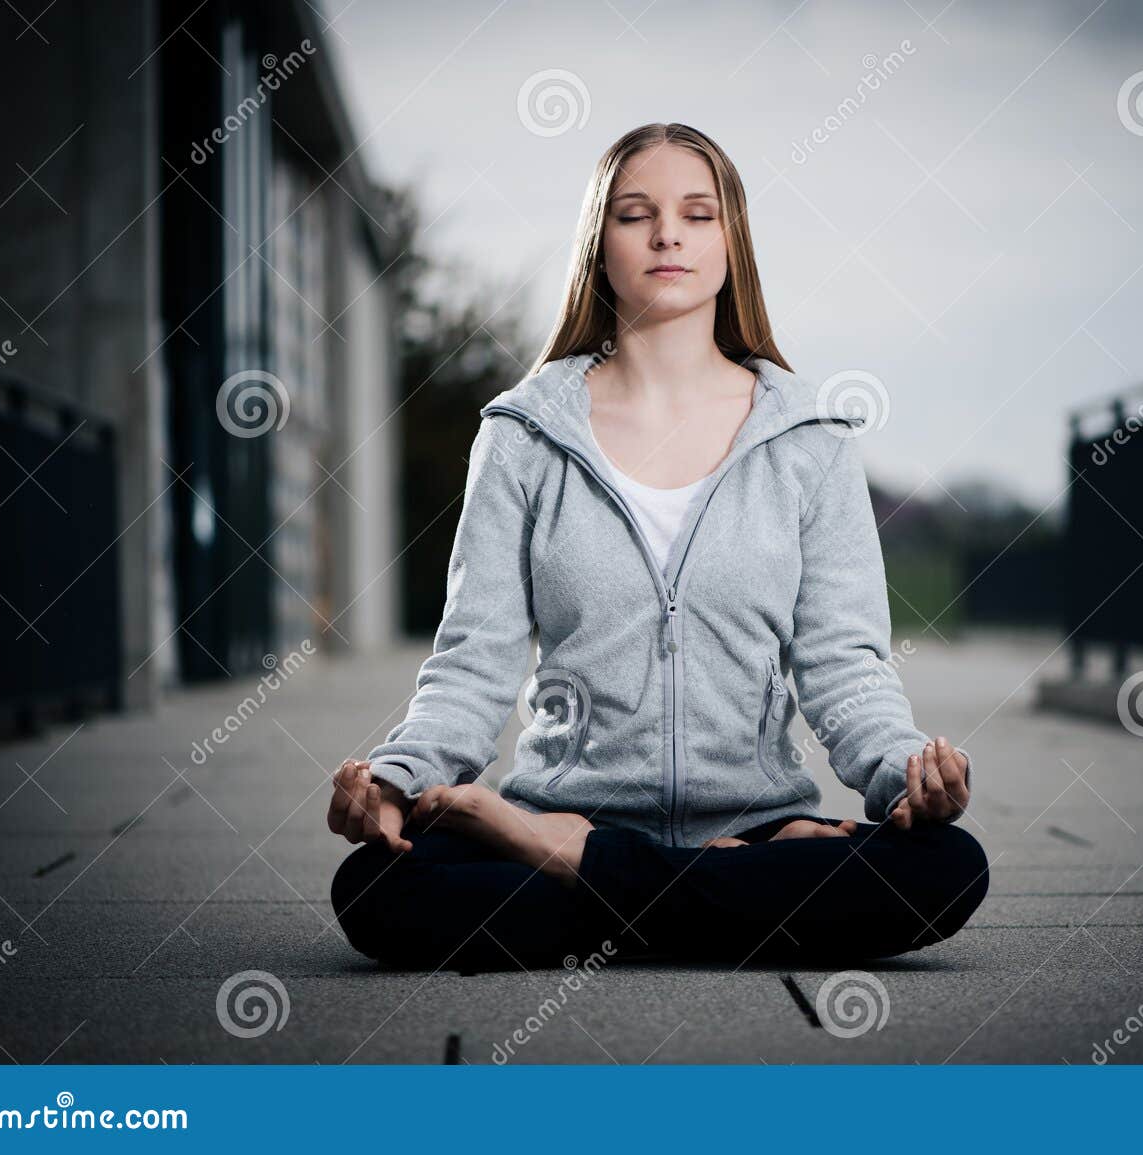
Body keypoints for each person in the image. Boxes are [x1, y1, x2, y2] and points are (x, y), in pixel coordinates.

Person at [328, 122, 990, 972]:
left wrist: (908, 777)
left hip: (732, 822)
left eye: (697, 214)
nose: (668, 234)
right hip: (578, 806)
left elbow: (845, 664)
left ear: (731, 241)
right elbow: (472, 665)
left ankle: (578, 870)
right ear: (598, 246)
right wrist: (394, 774)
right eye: (636, 214)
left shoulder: (809, 439)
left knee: (946, 866)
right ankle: (700, 894)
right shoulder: (522, 435)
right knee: (377, 890)